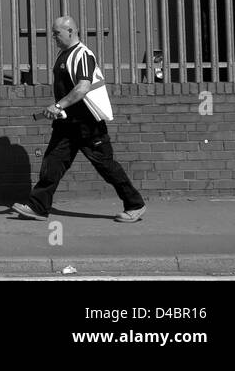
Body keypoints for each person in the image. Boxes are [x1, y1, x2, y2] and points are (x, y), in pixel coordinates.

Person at [12, 16, 146, 223]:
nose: (53, 37)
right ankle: (38, 207)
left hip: (88, 125)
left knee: (107, 167)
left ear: (71, 32)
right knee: (52, 164)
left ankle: (135, 205)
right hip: (67, 124)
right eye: (53, 33)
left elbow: (83, 87)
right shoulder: (63, 55)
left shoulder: (83, 55)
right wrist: (60, 111)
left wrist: (58, 106)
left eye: (57, 33)